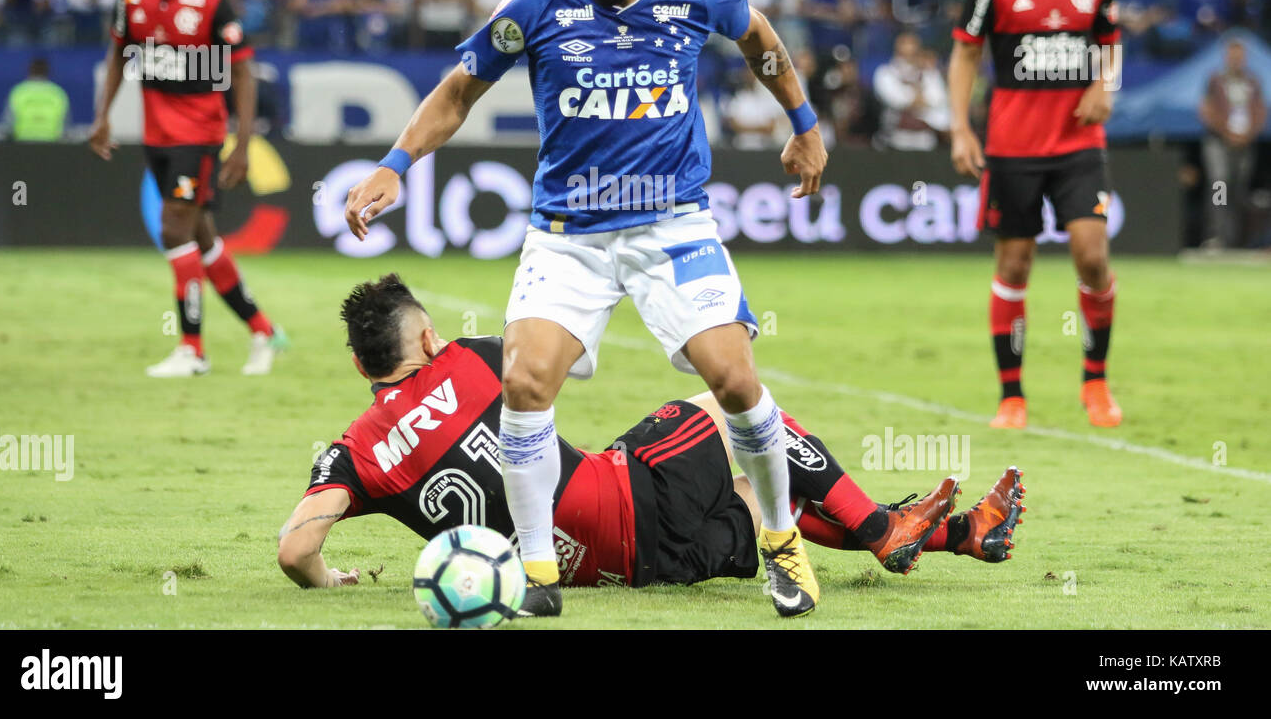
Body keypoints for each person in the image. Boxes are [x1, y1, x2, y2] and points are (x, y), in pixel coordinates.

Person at [344, 0, 829, 618]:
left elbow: (760, 38)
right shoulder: (537, 5)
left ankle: (781, 543)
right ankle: (536, 569)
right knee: (525, 381)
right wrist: (396, 162)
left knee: (735, 380)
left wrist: (803, 124)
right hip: (568, 234)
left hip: (673, 223)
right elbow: (459, 88)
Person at [277, 275, 1026, 593]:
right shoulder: (470, 359)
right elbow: (554, 359)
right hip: (627, 501)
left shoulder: (353, 453)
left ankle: (958, 536)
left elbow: (295, 548)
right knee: (741, 408)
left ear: (357, 364)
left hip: (626, 573)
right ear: (431, 337)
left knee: (759, 498)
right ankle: (878, 524)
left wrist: (328, 580)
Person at [947, 0, 1123, 431]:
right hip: (1014, 148)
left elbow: (1110, 43)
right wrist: (960, 126)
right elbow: (966, 53)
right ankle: (1012, 396)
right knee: (1015, 264)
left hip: (1079, 145)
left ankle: (1095, 382)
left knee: (1092, 256)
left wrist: (1105, 85)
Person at [88, 0, 287, 377]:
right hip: (155, 136)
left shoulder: (214, 2)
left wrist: (241, 142)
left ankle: (192, 350)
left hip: (197, 136)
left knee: (174, 231)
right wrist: (103, 117)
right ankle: (263, 331)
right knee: (203, 239)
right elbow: (118, 54)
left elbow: (242, 71)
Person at [1198, 39, 1266, 248]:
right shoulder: (1215, 80)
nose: (1236, 60)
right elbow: (1206, 109)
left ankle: (1234, 239)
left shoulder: (1253, 82)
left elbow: (1260, 111)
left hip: (1244, 143)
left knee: (1238, 190)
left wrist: (1248, 134)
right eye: (1232, 55)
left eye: (1240, 56)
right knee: (1220, 184)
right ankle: (1216, 235)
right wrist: (1226, 132)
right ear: (1226, 57)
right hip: (1219, 142)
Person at [873, 31, 951, 150]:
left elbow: (938, 99)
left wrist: (913, 97)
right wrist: (918, 97)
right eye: (905, 44)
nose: (910, 50)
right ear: (897, 49)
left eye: (913, 46)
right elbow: (897, 100)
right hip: (895, 139)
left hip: (926, 139)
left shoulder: (929, 73)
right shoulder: (885, 73)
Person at [5, 58, 69, 142]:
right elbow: (66, 125)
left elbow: (8, 124)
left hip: (22, 144)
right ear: (48, 72)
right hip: (52, 145)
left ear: (29, 70)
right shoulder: (58, 93)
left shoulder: (18, 92)